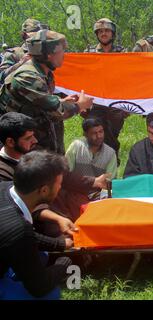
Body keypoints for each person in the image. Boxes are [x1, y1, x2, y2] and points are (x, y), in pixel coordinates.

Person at [0, 112, 110, 227]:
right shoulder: (3, 172)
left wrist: (94, 181)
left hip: (64, 207)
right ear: (10, 142)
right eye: (28, 138)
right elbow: (21, 204)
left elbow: (62, 174)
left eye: (33, 135)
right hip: (42, 224)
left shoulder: (33, 150)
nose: (35, 140)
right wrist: (58, 219)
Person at [0, 30, 93, 154]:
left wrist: (61, 101)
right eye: (62, 51)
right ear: (49, 54)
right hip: (20, 145)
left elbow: (38, 102)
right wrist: (80, 105)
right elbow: (57, 112)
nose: (64, 55)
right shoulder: (28, 77)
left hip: (32, 139)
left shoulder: (43, 71)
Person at [0, 151, 73, 300]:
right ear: (44, 190)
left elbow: (23, 239)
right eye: (59, 184)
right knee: (51, 294)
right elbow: (39, 288)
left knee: (41, 255)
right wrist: (64, 262)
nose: (60, 188)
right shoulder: (18, 229)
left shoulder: (4, 188)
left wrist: (59, 244)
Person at [83, 18, 128, 160]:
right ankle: (94, 168)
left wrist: (128, 104)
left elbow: (129, 78)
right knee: (94, 135)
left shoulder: (123, 53)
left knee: (112, 136)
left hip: (116, 102)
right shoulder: (88, 52)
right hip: (95, 102)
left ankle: (112, 168)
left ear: (112, 33)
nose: (103, 33)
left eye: (107, 31)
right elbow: (82, 77)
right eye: (100, 31)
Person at [65, 118, 117, 187]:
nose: (99, 136)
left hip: (98, 193)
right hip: (75, 189)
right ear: (85, 134)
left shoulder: (110, 154)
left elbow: (109, 182)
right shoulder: (76, 146)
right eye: (94, 133)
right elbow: (66, 174)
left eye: (101, 132)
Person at [0, 19, 43, 84]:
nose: (38, 37)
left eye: (40, 34)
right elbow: (2, 77)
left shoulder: (46, 52)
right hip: (21, 92)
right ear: (25, 35)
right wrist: (21, 63)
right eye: (35, 35)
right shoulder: (13, 53)